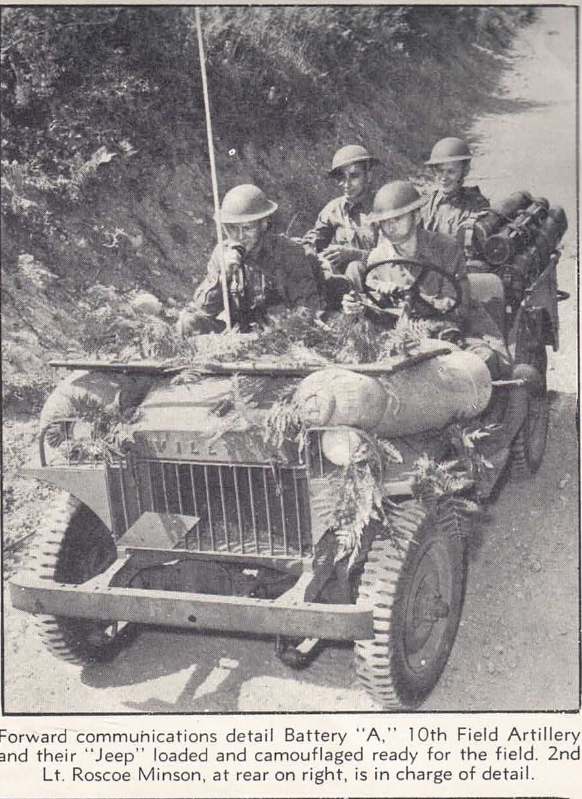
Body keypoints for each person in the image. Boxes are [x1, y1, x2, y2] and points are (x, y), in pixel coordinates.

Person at [342, 181, 509, 374]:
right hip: (399, 336)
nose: (390, 227)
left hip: (449, 331)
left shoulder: (446, 249)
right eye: (385, 222)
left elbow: (456, 309)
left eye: (398, 219)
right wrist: (356, 308)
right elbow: (376, 312)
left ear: (417, 216)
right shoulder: (377, 258)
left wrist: (414, 301)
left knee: (487, 362)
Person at [177, 184, 321, 336]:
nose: (240, 236)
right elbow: (205, 309)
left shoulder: (288, 252)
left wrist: (277, 330)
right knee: (187, 324)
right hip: (239, 331)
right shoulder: (222, 252)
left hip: (278, 330)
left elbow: (308, 308)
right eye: (232, 228)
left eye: (247, 228)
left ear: (263, 224)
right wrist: (223, 276)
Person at [303, 144, 380, 304]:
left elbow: (394, 257)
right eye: (341, 178)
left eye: (354, 176)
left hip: (378, 281)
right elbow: (314, 240)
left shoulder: (382, 207)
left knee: (355, 267)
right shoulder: (333, 209)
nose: (346, 184)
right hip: (342, 283)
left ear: (369, 175)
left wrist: (354, 255)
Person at [421, 137, 489, 248]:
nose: (444, 177)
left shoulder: (476, 206)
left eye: (451, 171)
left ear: (464, 171)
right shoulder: (427, 202)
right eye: (440, 171)